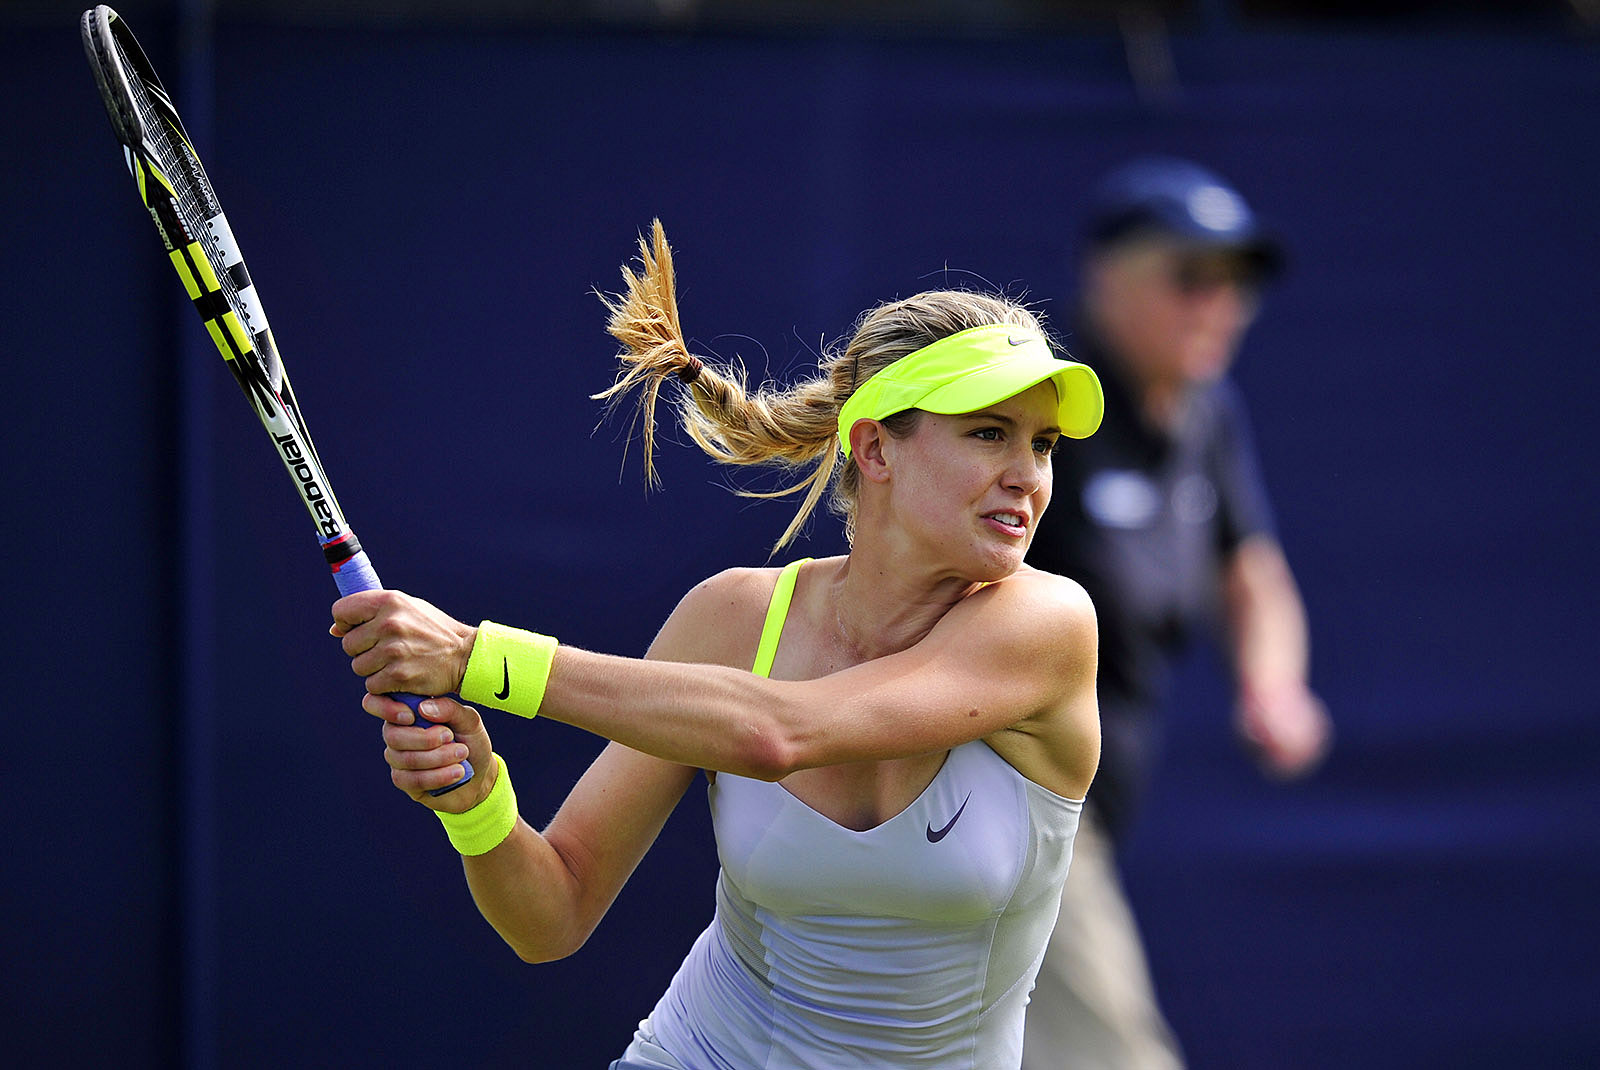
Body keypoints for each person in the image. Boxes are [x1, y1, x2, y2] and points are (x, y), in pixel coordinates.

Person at [330, 221, 1109, 1069]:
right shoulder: (732, 622)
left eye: (1043, 445)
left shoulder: (1047, 626)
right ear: (877, 448)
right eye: (990, 433)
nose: (1028, 476)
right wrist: (477, 803)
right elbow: (550, 915)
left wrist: (476, 658)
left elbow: (776, 734)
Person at [1019, 158, 1333, 1070]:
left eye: (1236, 283)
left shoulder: (1209, 417)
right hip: (1001, 809)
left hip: (1082, 817)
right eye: (1191, 277)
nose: (1219, 305)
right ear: (1106, 278)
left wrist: (1272, 686)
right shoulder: (1044, 415)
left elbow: (1252, 573)